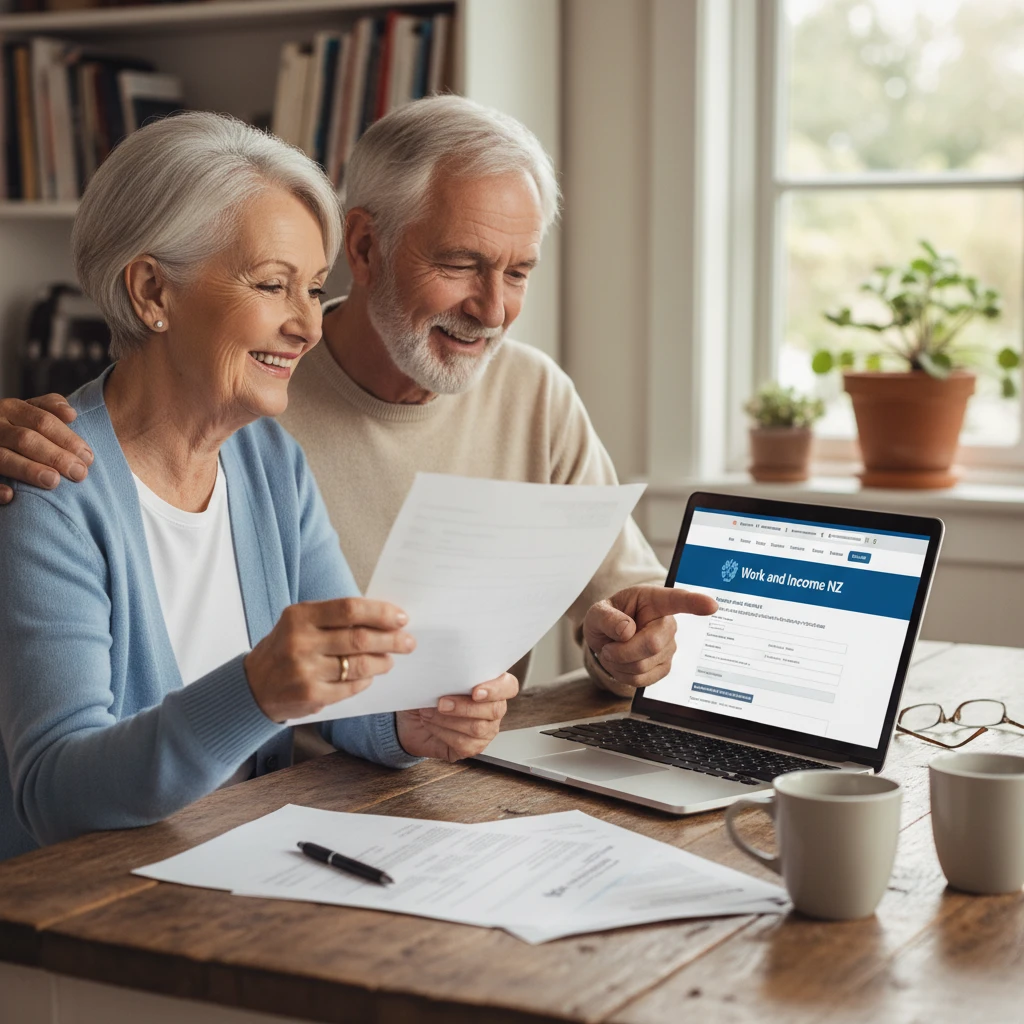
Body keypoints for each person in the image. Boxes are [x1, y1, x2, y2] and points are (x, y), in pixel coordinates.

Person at [0, 96, 717, 705]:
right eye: (461, 264)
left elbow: (630, 606)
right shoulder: (246, 401)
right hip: (287, 788)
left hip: (428, 774)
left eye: (519, 272)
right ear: (367, 247)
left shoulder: (534, 396)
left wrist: (630, 648)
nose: (493, 308)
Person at [0, 112, 516, 863]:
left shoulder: (270, 461)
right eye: (274, 285)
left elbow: (348, 686)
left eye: (313, 289)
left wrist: (414, 723)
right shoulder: (49, 486)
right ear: (152, 291)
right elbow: (55, 795)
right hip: (88, 922)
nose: (307, 325)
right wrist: (256, 692)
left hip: (249, 874)